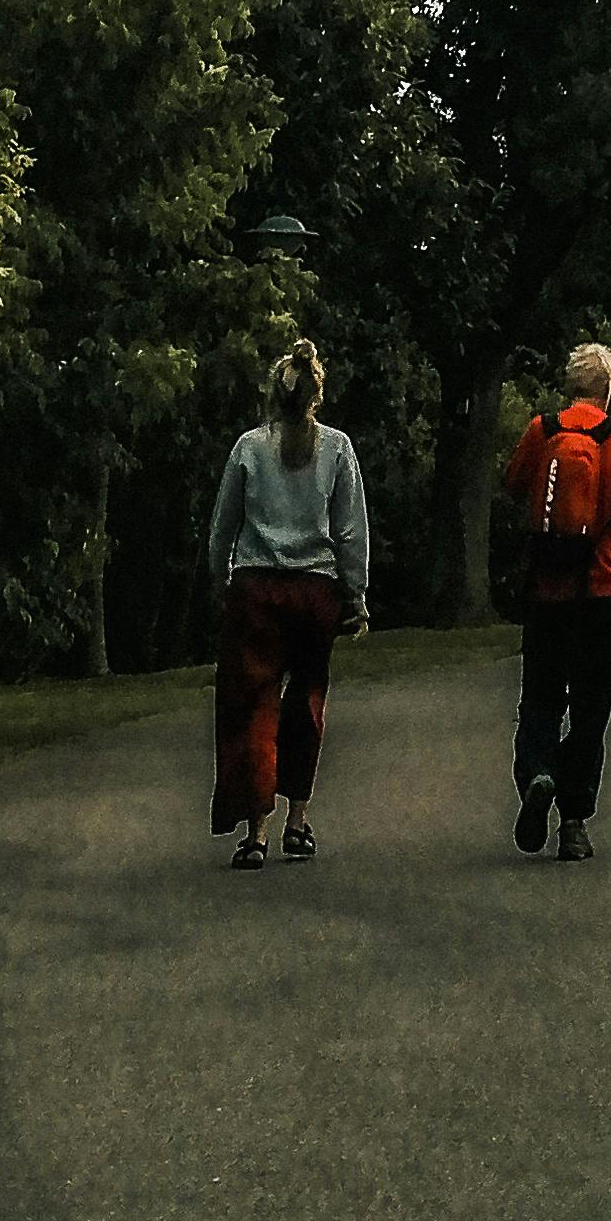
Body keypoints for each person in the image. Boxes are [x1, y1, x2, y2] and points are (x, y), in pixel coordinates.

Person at [502, 338, 611, 860]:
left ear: (569, 385)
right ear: (607, 387)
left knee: (539, 697)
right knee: (591, 708)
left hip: (545, 592)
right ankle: (574, 824)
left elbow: (512, 484)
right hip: (602, 590)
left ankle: (538, 774)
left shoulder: (542, 431)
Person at [208, 337, 368, 867]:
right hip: (314, 592)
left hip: (256, 591)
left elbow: (222, 528)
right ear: (316, 395)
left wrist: (220, 580)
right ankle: (297, 821)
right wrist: (356, 592)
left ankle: (256, 831)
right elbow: (349, 531)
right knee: (306, 702)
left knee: (254, 705)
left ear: (272, 394)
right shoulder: (338, 449)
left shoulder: (249, 448)